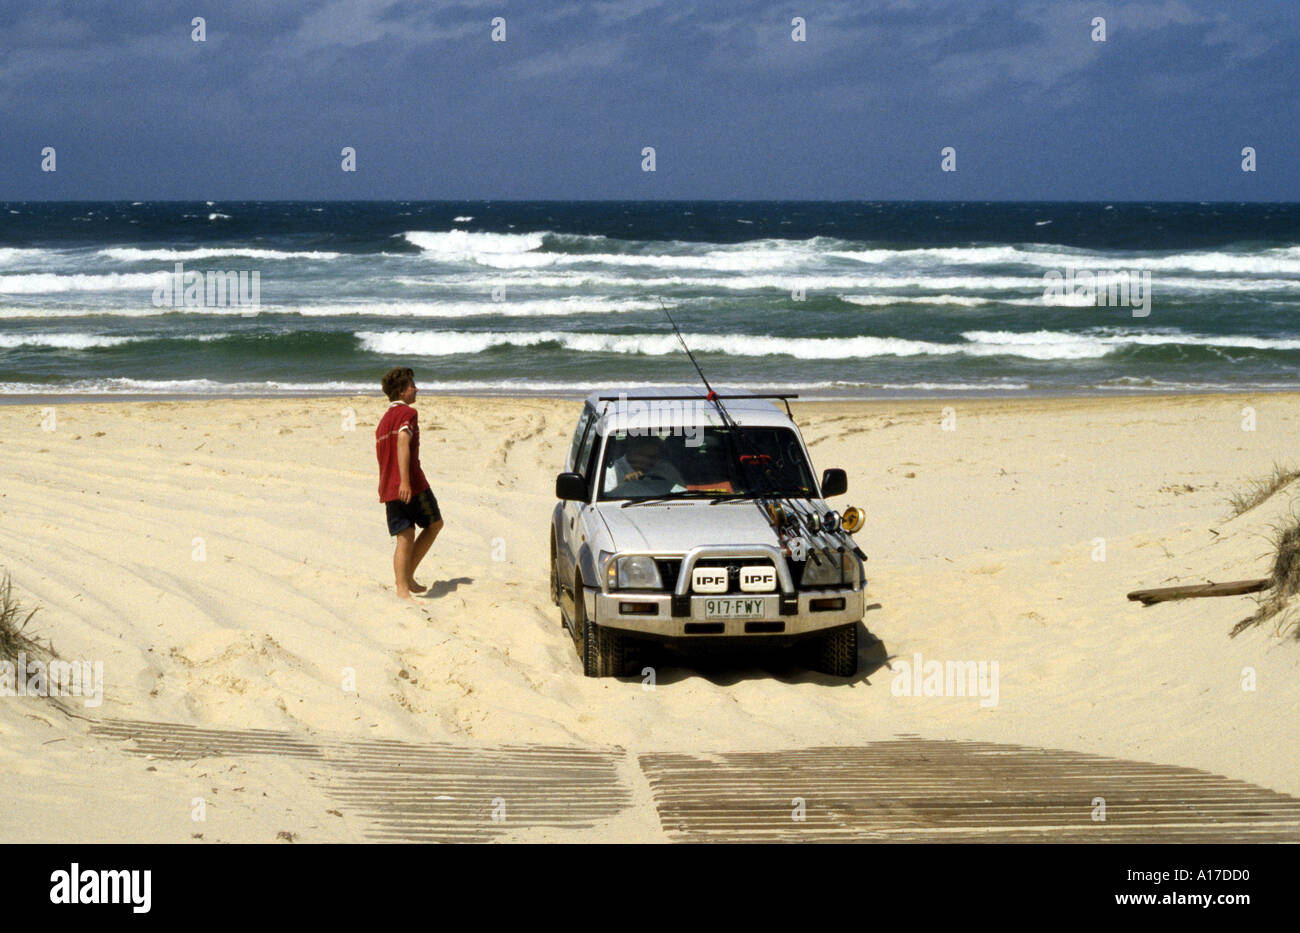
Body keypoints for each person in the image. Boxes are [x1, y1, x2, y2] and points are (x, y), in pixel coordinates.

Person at [375, 367, 443, 600]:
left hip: (388, 486)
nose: (416, 389)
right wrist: (405, 481)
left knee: (404, 535)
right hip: (412, 484)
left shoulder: (383, 421)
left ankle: (404, 585)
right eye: (412, 386)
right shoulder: (408, 413)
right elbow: (403, 440)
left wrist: (392, 482)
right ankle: (405, 582)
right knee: (434, 524)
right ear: (403, 392)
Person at [606, 434, 685, 494]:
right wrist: (625, 485)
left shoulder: (666, 468)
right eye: (646, 456)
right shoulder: (612, 473)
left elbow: (683, 491)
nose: (650, 461)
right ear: (631, 450)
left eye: (655, 457)